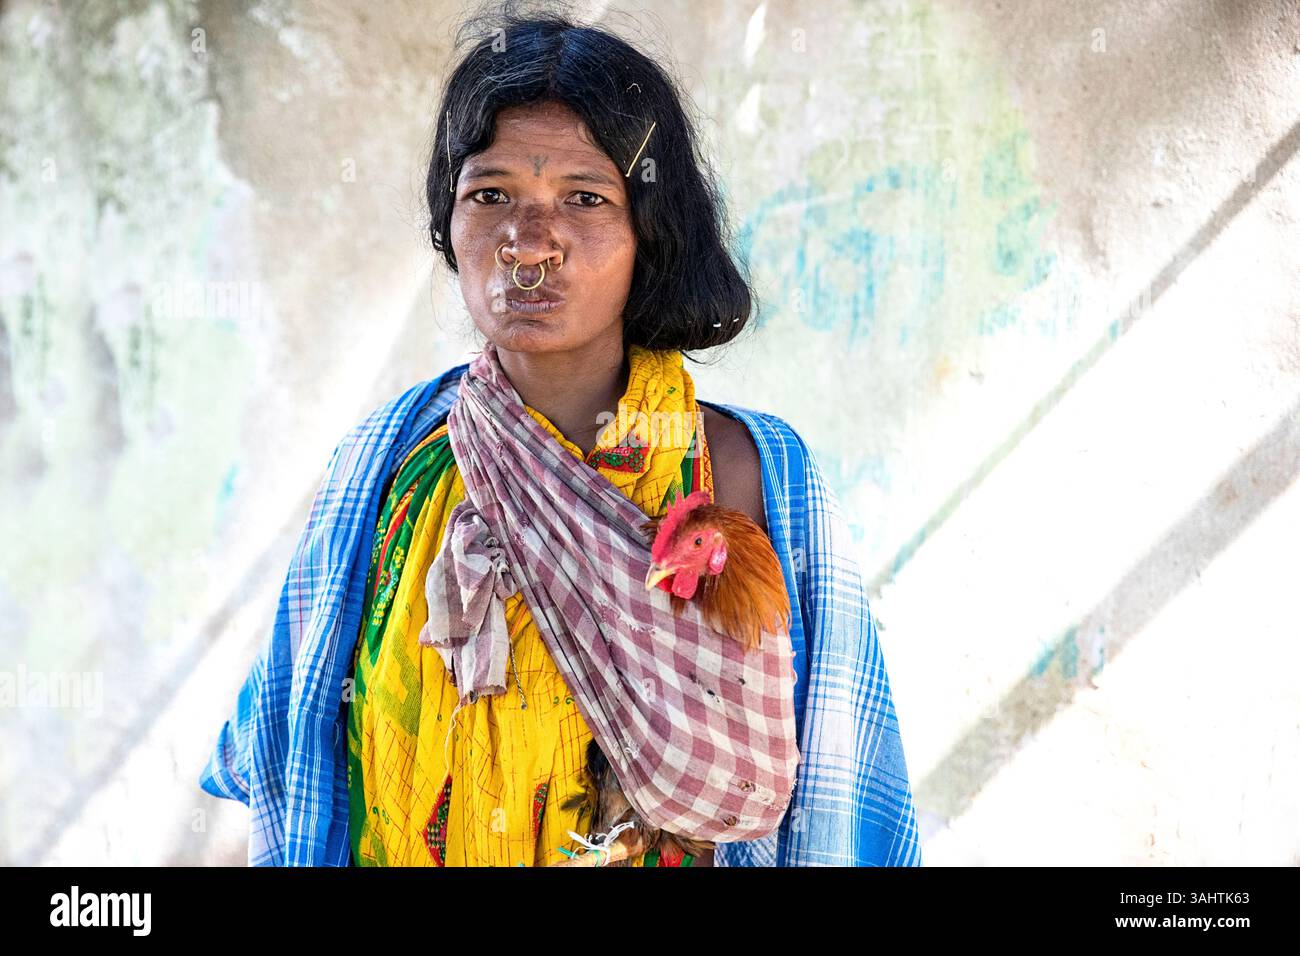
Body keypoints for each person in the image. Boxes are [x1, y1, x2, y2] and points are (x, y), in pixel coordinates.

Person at [199, 6, 921, 868]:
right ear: (449, 224)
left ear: (647, 232)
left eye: (583, 197)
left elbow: (837, 795)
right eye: (491, 194)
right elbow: (297, 746)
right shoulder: (389, 468)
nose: (529, 244)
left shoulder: (747, 474)